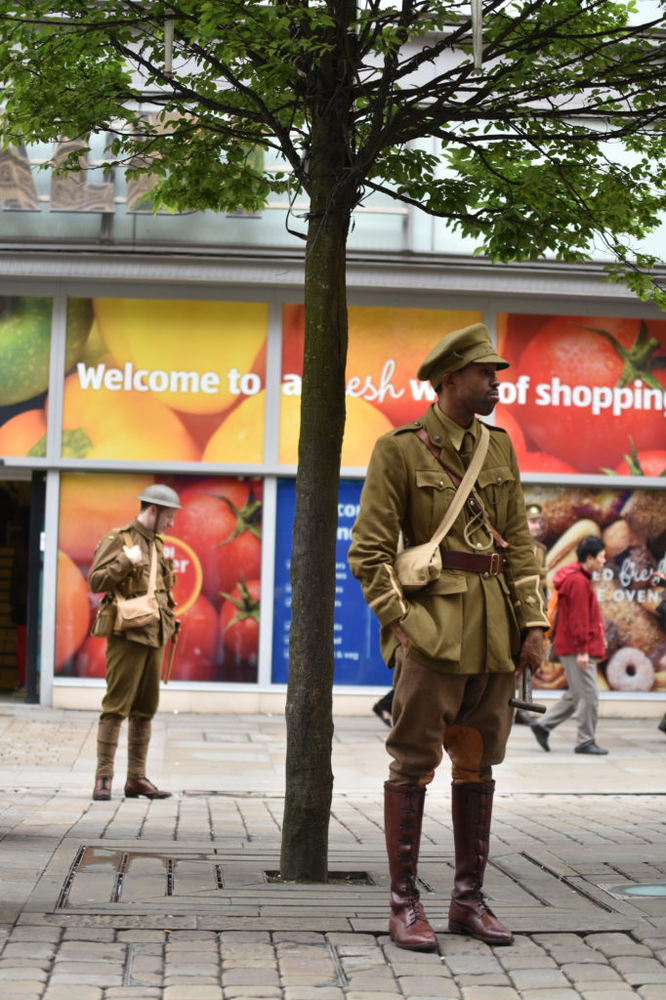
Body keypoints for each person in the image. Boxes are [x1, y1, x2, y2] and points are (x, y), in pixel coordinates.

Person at [348, 323, 548, 952]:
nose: (496, 383)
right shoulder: (399, 449)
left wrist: (535, 624)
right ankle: (404, 904)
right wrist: (401, 624)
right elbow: (369, 552)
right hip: (432, 631)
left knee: (478, 763)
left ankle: (468, 900)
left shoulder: (500, 448)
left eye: (497, 374)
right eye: (486, 373)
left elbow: (519, 544)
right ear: (450, 378)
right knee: (413, 764)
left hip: (495, 632)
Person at [89, 484, 181, 801]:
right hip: (126, 633)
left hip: (155, 632)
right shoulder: (119, 539)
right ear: (153, 510)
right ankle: (103, 778)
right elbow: (96, 580)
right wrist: (125, 563)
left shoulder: (157, 544)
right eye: (168, 516)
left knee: (145, 708)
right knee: (116, 705)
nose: (171, 523)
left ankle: (136, 779)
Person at [530, 535, 608, 756]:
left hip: (574, 646)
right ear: (590, 558)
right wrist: (583, 650)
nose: (604, 561)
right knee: (589, 695)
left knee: (577, 694)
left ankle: (543, 726)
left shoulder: (580, 578)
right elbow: (578, 620)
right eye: (601, 557)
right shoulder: (578, 581)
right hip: (577, 649)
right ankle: (585, 741)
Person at [514, 503, 549, 725]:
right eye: (532, 521)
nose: (536, 525)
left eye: (538, 522)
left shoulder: (540, 549)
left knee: (529, 657)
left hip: (535, 607)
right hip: (519, 607)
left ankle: (521, 705)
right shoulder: (517, 545)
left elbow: (541, 584)